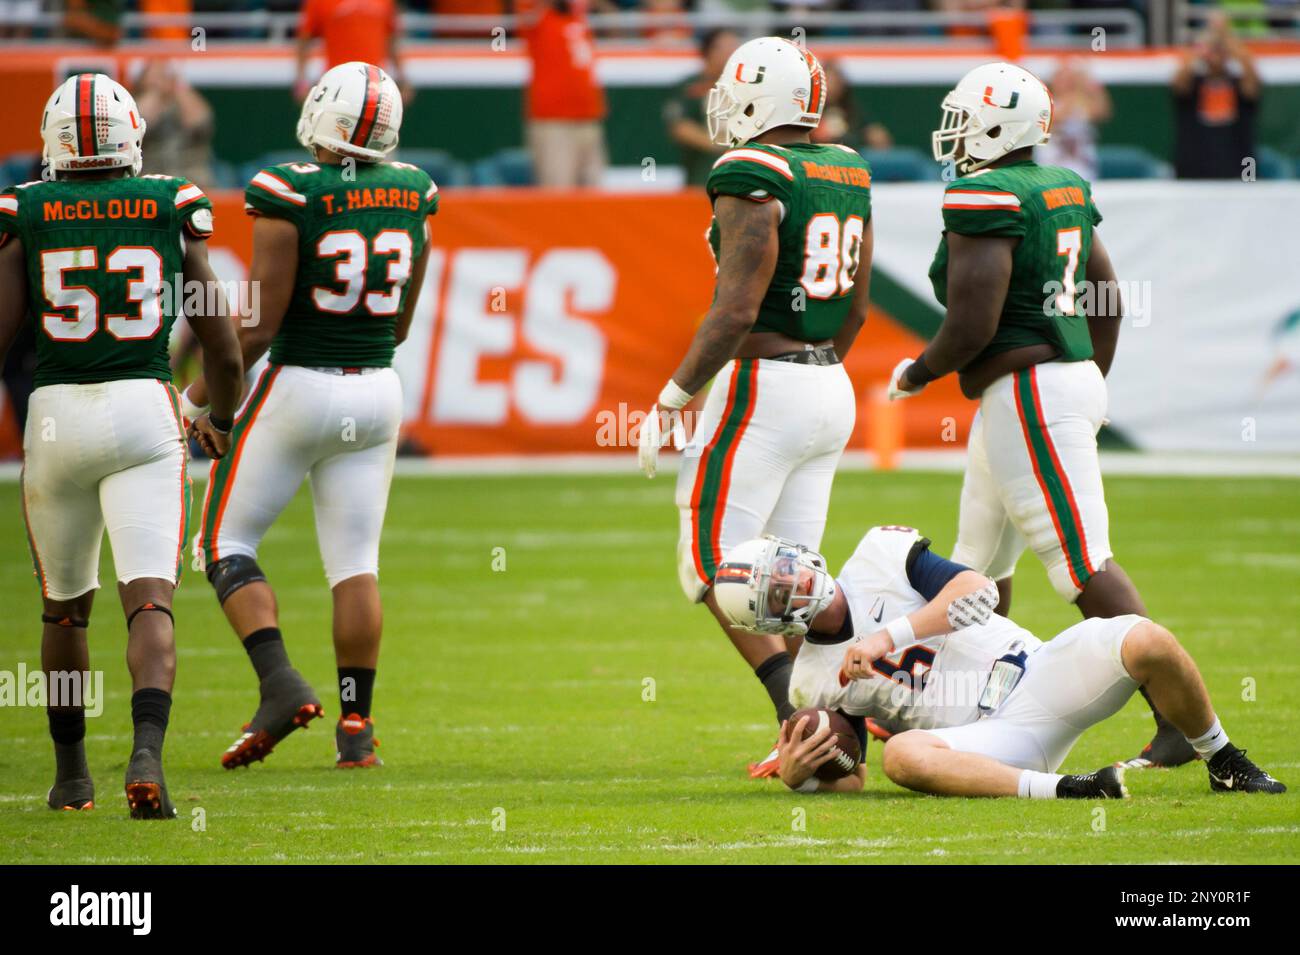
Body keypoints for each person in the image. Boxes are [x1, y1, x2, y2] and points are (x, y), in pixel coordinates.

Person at [889, 62, 1195, 769]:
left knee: (1081, 564)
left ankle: (1181, 714)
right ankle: (977, 698)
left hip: (1027, 388)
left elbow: (973, 320)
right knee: (977, 562)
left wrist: (920, 370)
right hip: (1047, 384)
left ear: (1000, 124)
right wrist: (1086, 373)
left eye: (967, 119)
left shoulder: (987, 192)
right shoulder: (1061, 187)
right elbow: (1108, 294)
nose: (957, 134)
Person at [0, 73, 243, 818]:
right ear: (131, 133)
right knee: (150, 604)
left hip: (56, 416)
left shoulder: (27, 210)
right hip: (144, 410)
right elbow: (224, 348)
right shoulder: (168, 204)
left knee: (64, 611)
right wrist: (219, 416)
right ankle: (146, 754)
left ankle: (73, 776)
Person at [183, 62, 437, 771]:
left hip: (301, 384)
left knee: (223, 542)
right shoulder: (415, 191)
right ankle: (356, 727)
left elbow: (257, 328)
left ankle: (280, 682)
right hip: (378, 388)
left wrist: (197, 398)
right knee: (355, 562)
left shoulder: (288, 188)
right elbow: (403, 321)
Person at [637, 37, 872, 777]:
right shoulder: (846, 166)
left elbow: (736, 308)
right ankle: (837, 732)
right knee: (796, 581)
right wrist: (817, 369)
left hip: (764, 384)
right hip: (829, 383)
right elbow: (857, 309)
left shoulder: (750, 170)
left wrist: (673, 395)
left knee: (711, 564)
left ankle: (797, 717)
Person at [711, 527, 1286, 799]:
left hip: (1039, 674)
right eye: (778, 592)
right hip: (991, 741)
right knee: (904, 756)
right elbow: (855, 778)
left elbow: (975, 588)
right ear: (774, 623)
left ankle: (1224, 760)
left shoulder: (877, 555)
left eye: (785, 567)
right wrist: (802, 781)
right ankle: (1071, 790)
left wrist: (888, 637)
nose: (795, 581)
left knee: (1148, 640)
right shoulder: (811, 680)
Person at [520, 0, 607, 188]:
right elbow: (527, 11)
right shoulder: (542, 20)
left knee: (595, 198)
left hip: (588, 120)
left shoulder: (579, 22)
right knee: (558, 192)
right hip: (555, 123)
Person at [1172, 12, 1261, 180]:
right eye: (1213, 52)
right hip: (1193, 174)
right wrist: (1203, 45)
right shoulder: (1192, 86)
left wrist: (1227, 37)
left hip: (1239, 173)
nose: (1216, 56)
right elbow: (1179, 81)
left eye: (1220, 52)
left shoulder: (1240, 85)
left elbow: (1252, 80)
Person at [662, 27, 740, 187]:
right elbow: (679, 126)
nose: (732, 53)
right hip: (703, 174)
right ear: (708, 51)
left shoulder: (745, 86)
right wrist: (720, 145)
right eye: (726, 47)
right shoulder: (691, 87)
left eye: (735, 47)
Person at [294, 0, 410, 104]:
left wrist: (402, 78)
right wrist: (301, 80)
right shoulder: (319, 2)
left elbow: (391, 41)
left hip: (375, 84)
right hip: (336, 83)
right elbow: (304, 40)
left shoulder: (385, 2)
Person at [134, 60, 216, 191]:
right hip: (150, 183)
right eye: (155, 76)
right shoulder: (133, 105)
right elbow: (139, 126)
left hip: (194, 181)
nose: (161, 80)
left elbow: (199, 124)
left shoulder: (187, 101)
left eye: (164, 75)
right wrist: (155, 91)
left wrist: (178, 87)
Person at [1037, 57, 1111, 183]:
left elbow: (1102, 111)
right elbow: (1055, 118)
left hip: (1082, 168)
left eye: (1069, 79)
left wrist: (1088, 79)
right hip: (1051, 169)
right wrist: (1076, 91)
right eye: (1061, 78)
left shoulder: (1081, 104)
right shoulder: (1045, 102)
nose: (1066, 83)